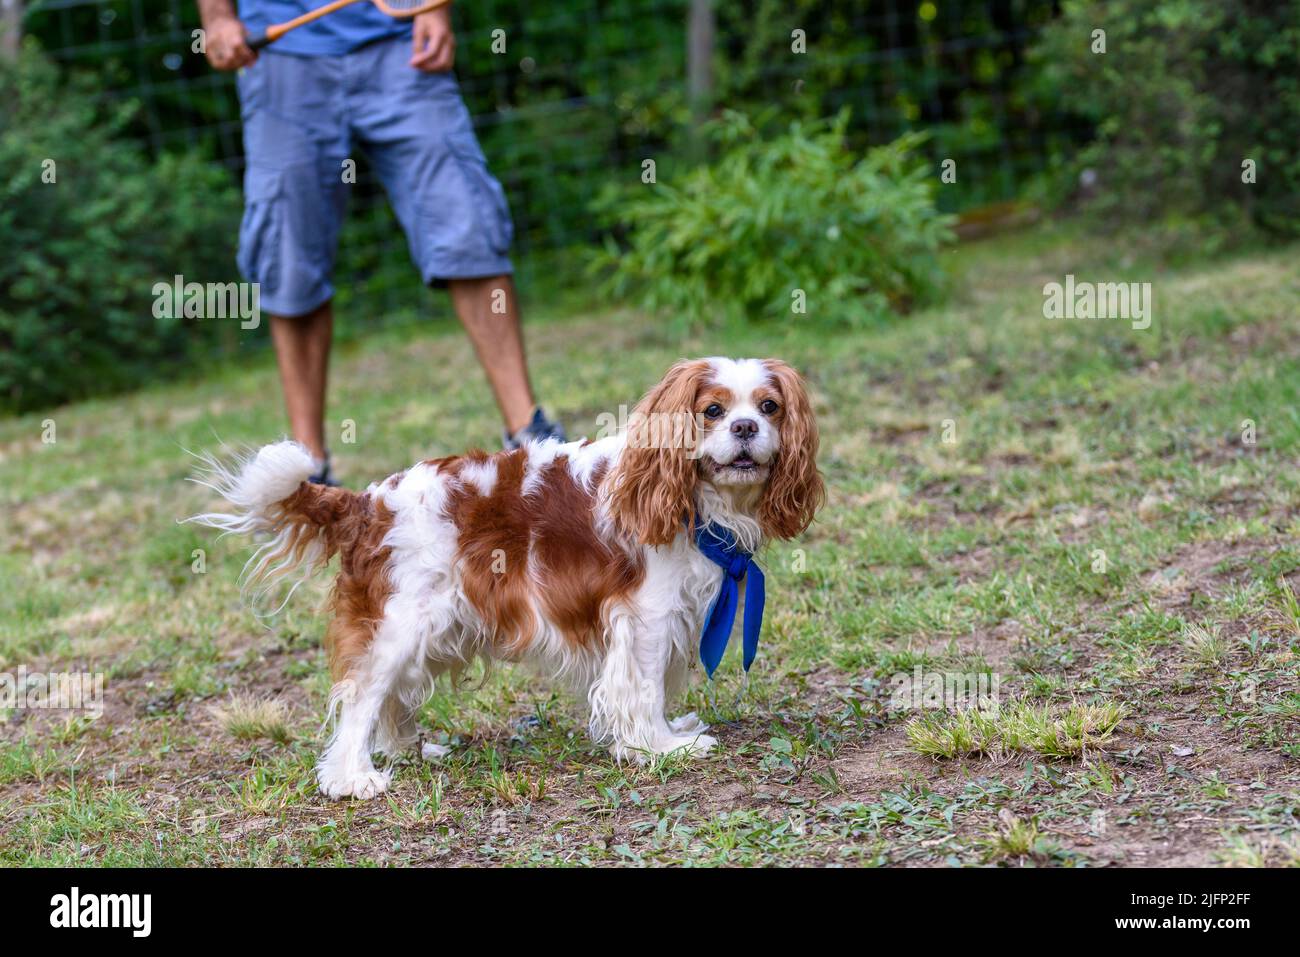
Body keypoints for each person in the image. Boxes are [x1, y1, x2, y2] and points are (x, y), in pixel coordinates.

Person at [197, 0, 564, 484]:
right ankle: (310, 473)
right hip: (280, 52)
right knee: (288, 257)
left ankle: (533, 442)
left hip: (400, 40)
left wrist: (432, 7)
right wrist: (218, 18)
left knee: (466, 223)